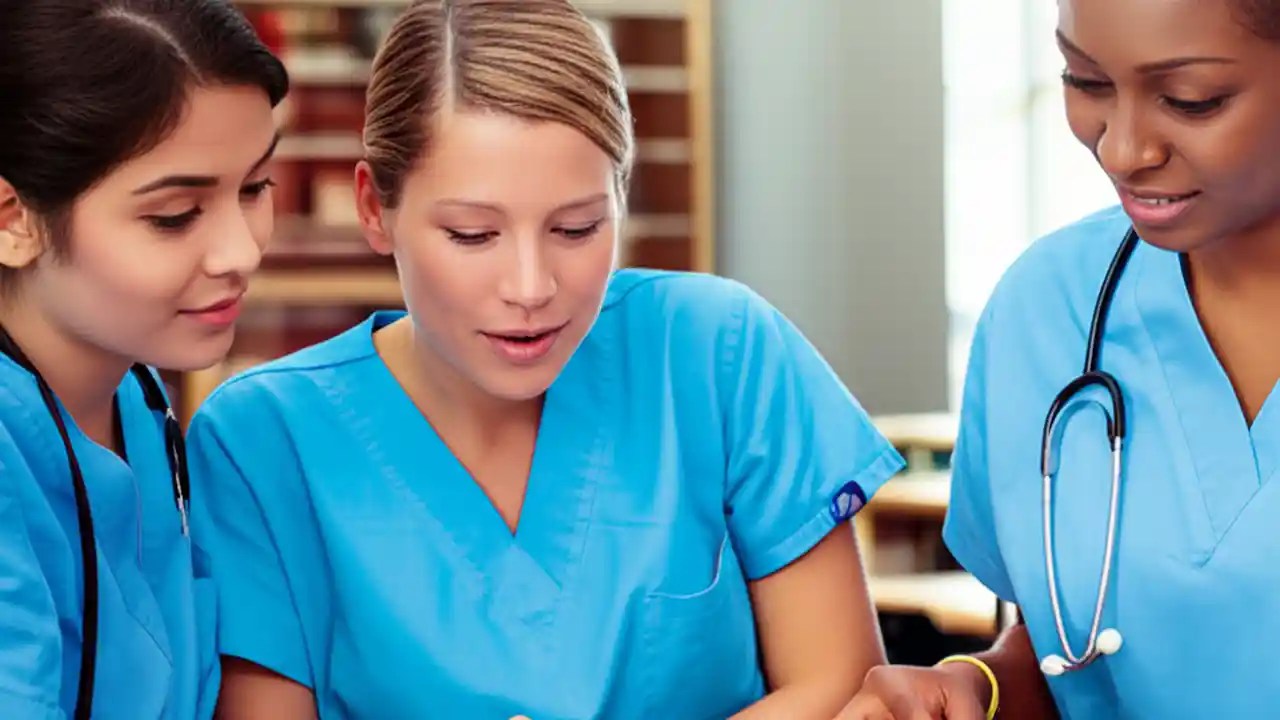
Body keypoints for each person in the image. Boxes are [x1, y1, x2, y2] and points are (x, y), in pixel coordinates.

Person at [186, 0, 904, 718]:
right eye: (473, 235)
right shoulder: (264, 439)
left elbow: (840, 683)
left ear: (620, 197)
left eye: (577, 227)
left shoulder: (718, 352)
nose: (531, 288)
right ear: (376, 208)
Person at [839, 0, 1280, 718]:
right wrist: (972, 690)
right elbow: (1068, 655)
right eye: (1087, 81)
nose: (1123, 149)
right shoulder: (1044, 310)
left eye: (1190, 99)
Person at [0, 1, 286, 717]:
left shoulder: (137, 395)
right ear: (12, 220)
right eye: (174, 216)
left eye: (253, 189)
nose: (243, 253)